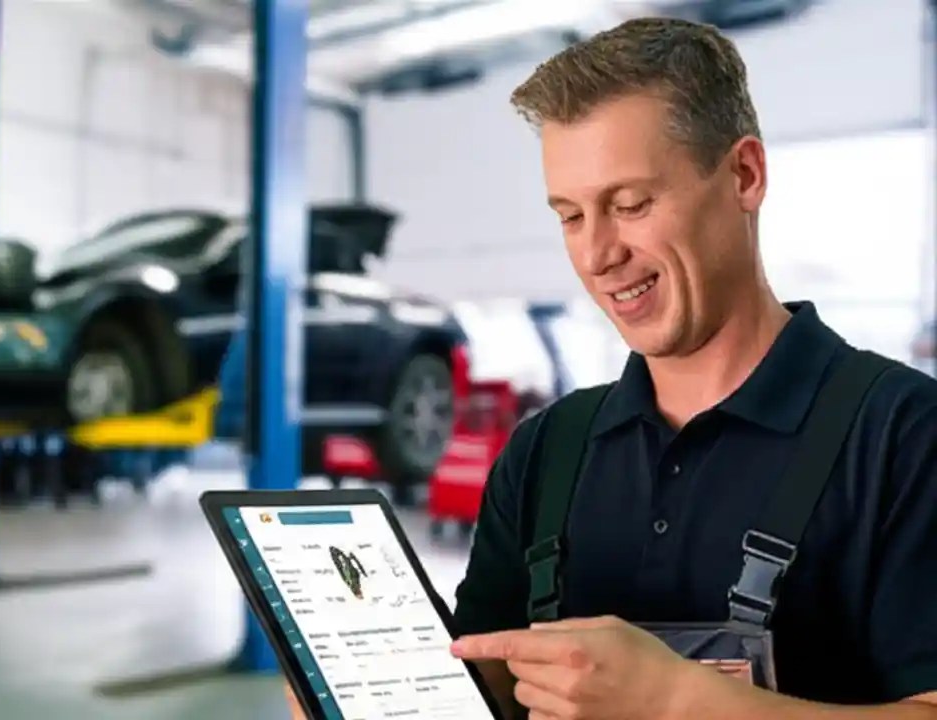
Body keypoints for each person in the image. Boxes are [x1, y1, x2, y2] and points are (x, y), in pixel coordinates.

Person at [285, 16, 937, 720]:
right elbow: (492, 687)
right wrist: (372, 697)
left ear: (744, 175)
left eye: (631, 205)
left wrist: (676, 699)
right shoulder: (546, 450)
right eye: (570, 216)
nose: (597, 254)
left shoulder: (902, 438)